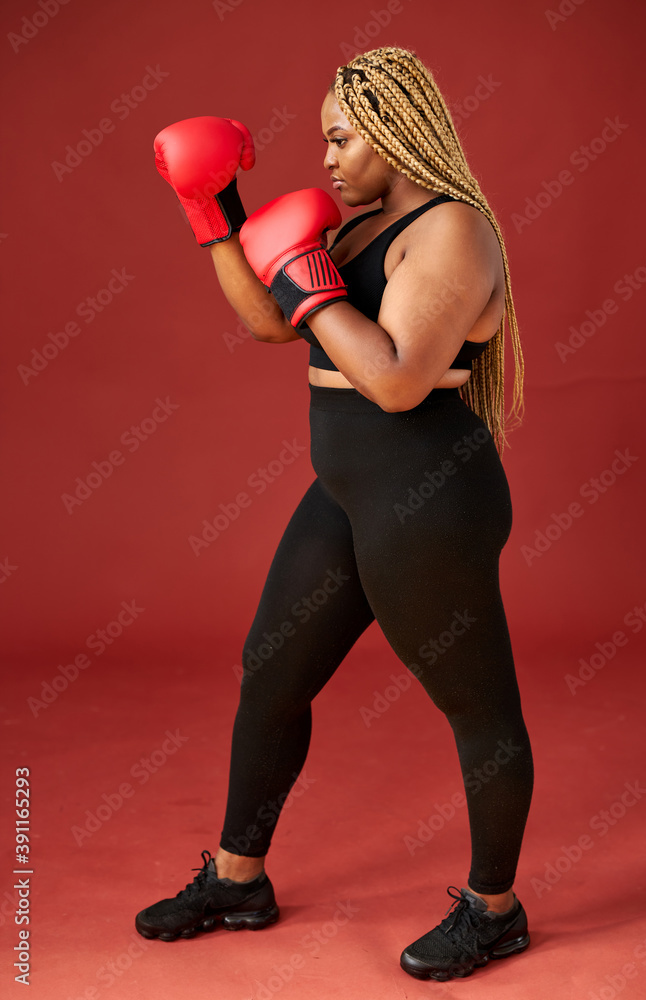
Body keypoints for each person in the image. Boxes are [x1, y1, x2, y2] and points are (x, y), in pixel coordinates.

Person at [137, 46, 534, 983]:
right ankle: (238, 878)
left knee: (476, 707)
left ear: (397, 135)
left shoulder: (452, 232)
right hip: (349, 493)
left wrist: (306, 278)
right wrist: (216, 213)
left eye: (344, 136)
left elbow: (395, 380)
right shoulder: (355, 230)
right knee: (271, 672)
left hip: (427, 497)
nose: (328, 156)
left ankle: (495, 911)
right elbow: (273, 324)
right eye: (326, 137)